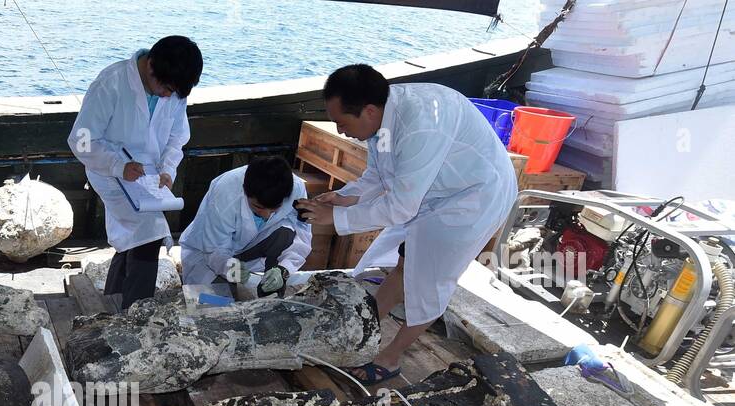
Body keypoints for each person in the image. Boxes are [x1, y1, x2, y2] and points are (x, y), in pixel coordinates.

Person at [295, 63, 518, 386]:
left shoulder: (421, 126)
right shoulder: (383, 119)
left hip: (473, 199)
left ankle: (389, 359)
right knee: (405, 264)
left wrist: (337, 218)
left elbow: (399, 206)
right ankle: (360, 330)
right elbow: (379, 175)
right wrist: (345, 197)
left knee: (429, 282)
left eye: (342, 123)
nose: (341, 132)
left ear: (368, 111)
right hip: (435, 192)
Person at [70, 35, 202, 307]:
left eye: (174, 92)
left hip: (149, 175)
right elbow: (80, 140)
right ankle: (137, 312)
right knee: (149, 233)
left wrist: (167, 170)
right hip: (107, 168)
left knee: (135, 235)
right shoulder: (111, 83)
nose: (168, 95)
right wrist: (118, 166)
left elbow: (177, 136)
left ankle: (114, 298)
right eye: (165, 88)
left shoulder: (172, 87)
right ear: (150, 66)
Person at [179, 155, 311, 295]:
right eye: (258, 207)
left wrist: (285, 268)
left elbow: (301, 235)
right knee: (210, 302)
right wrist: (228, 266)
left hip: (255, 248)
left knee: (286, 232)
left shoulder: (295, 190)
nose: (266, 215)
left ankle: (272, 277)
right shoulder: (225, 193)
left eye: (274, 209)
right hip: (209, 254)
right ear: (244, 190)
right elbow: (214, 248)